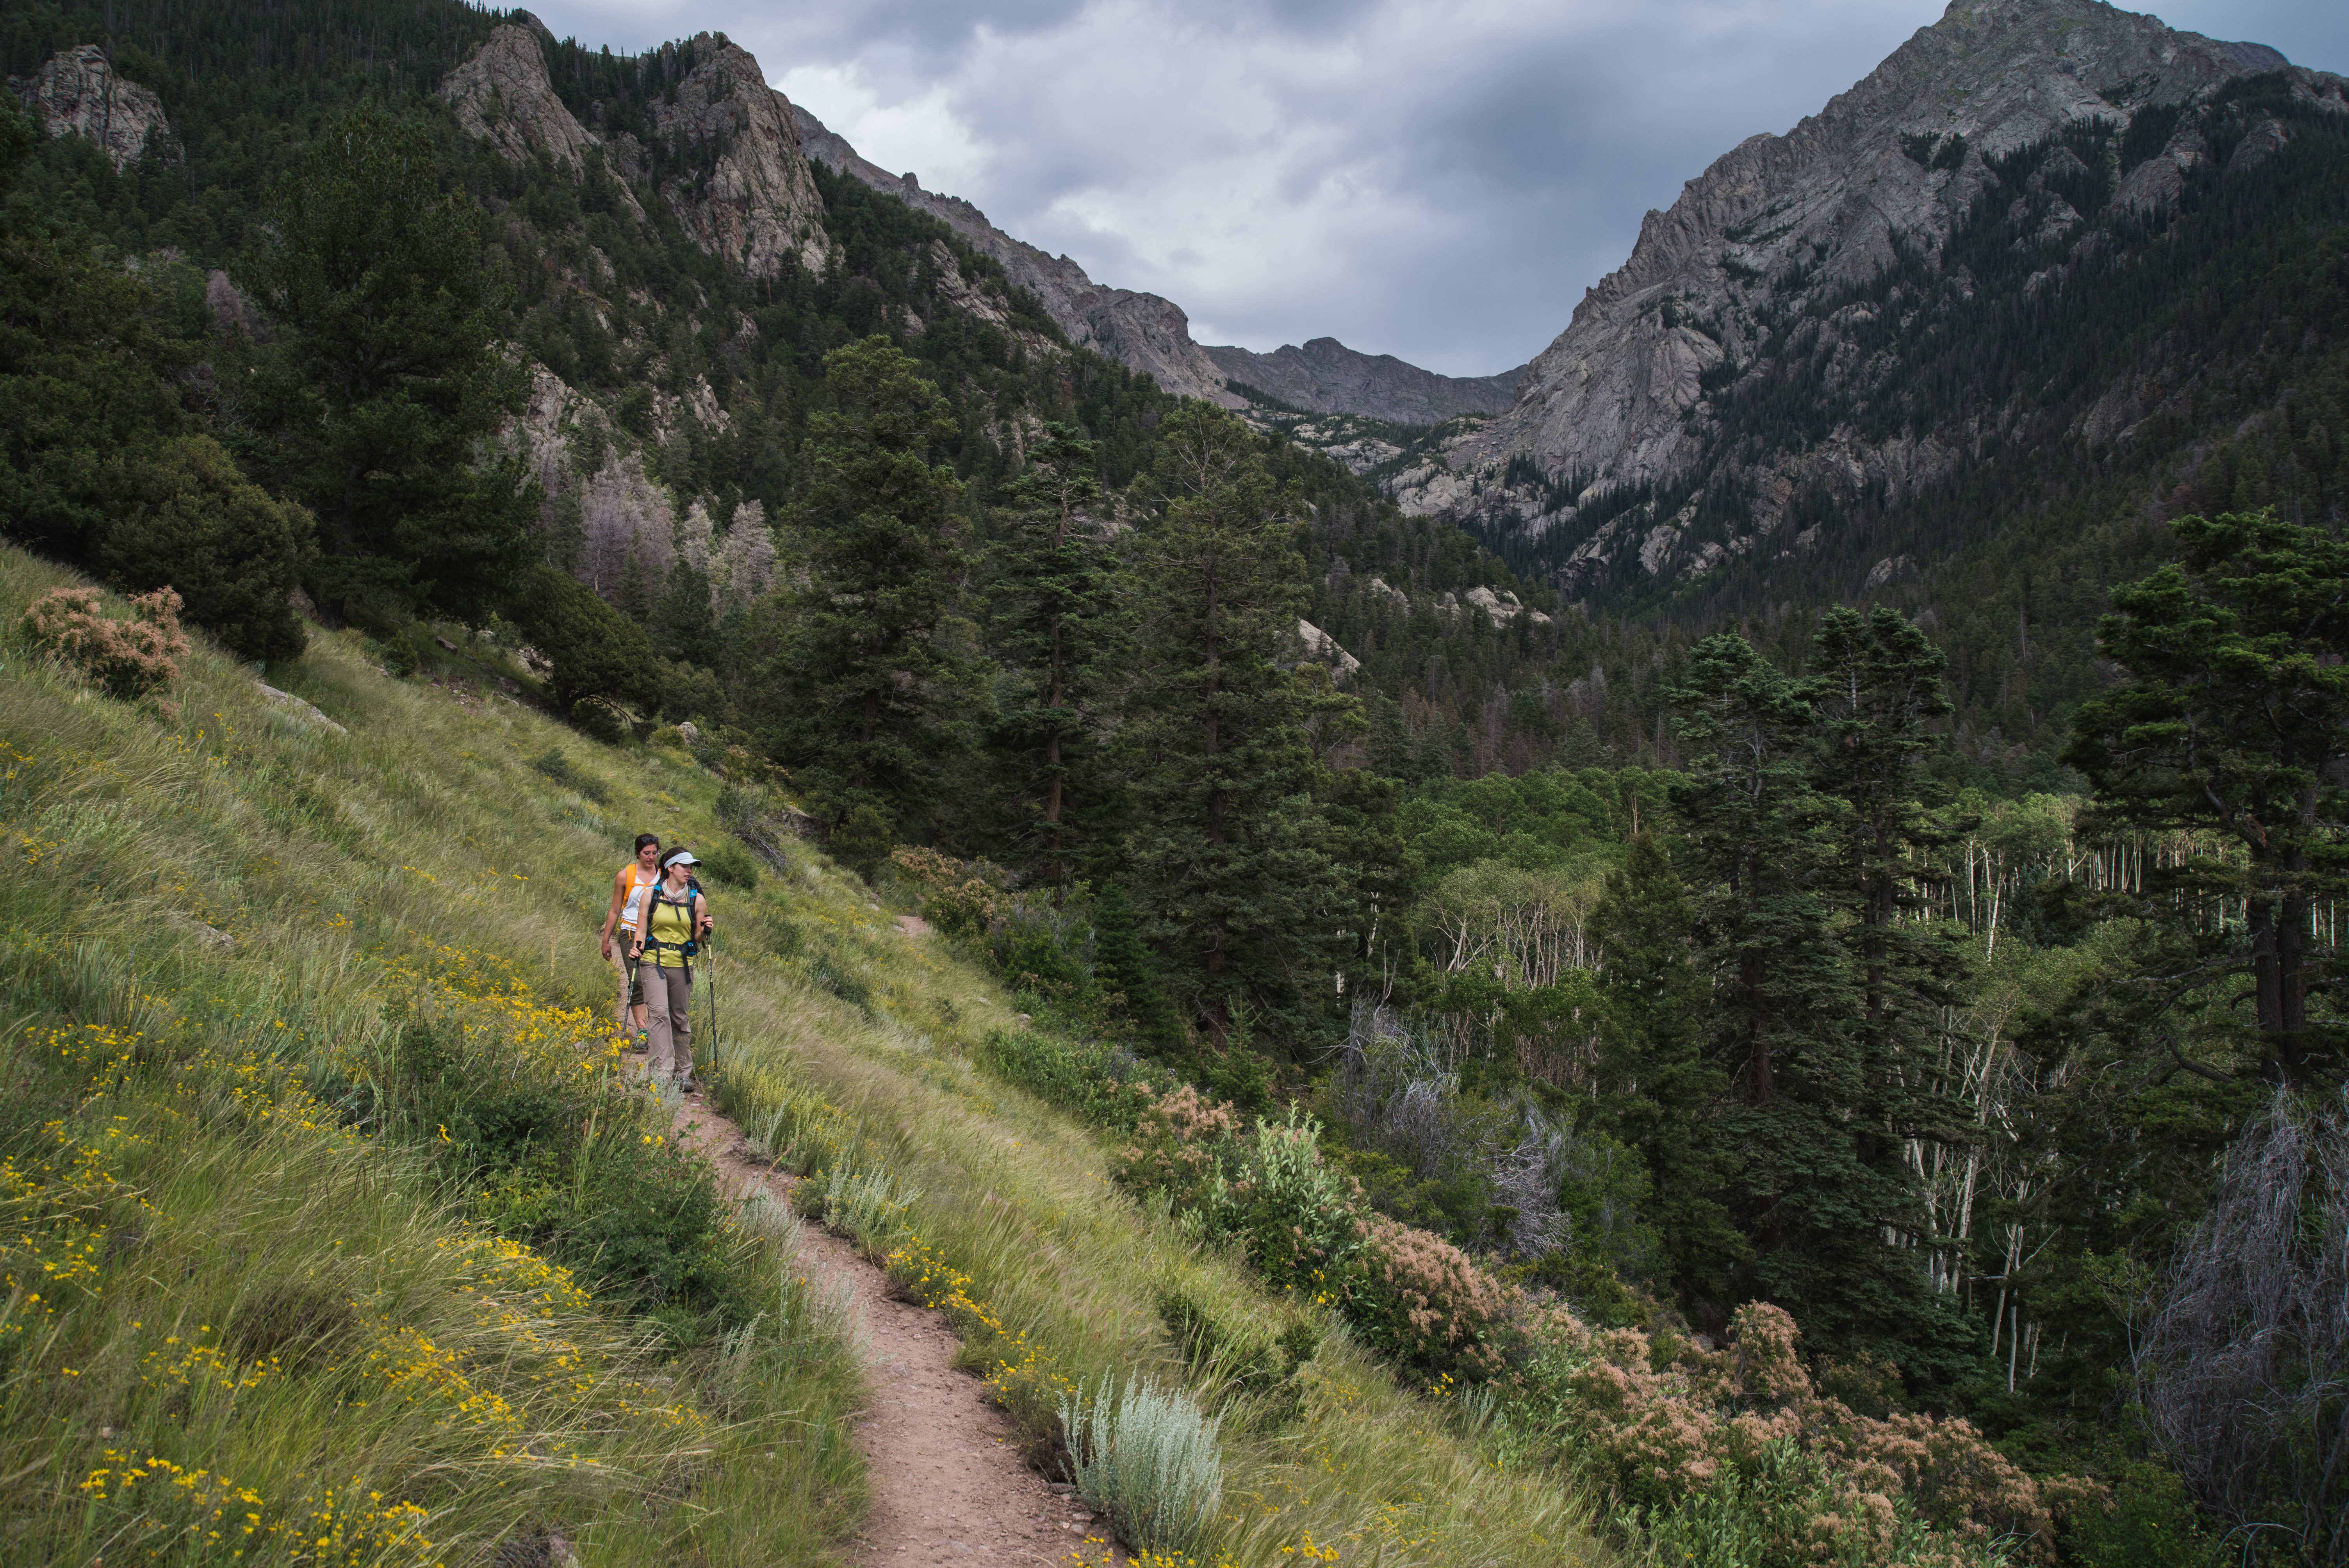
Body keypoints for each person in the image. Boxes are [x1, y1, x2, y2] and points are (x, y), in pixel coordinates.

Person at [629, 846, 714, 1092]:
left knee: (679, 1017)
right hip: (652, 960)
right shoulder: (650, 895)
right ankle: (661, 1073)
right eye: (685, 866)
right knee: (658, 1014)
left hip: (682, 963)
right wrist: (637, 948)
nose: (689, 871)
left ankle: (682, 1072)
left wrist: (705, 929)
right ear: (670, 869)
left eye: (691, 867)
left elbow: (697, 937)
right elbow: (642, 929)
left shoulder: (697, 899)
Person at [599, 834, 662, 1046]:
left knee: (657, 980)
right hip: (630, 933)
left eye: (655, 853)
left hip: (656, 935)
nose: (651, 857)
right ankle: (643, 1035)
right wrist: (606, 940)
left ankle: (659, 1032)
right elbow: (616, 909)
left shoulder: (663, 875)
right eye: (647, 853)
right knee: (636, 981)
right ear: (638, 853)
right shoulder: (625, 876)